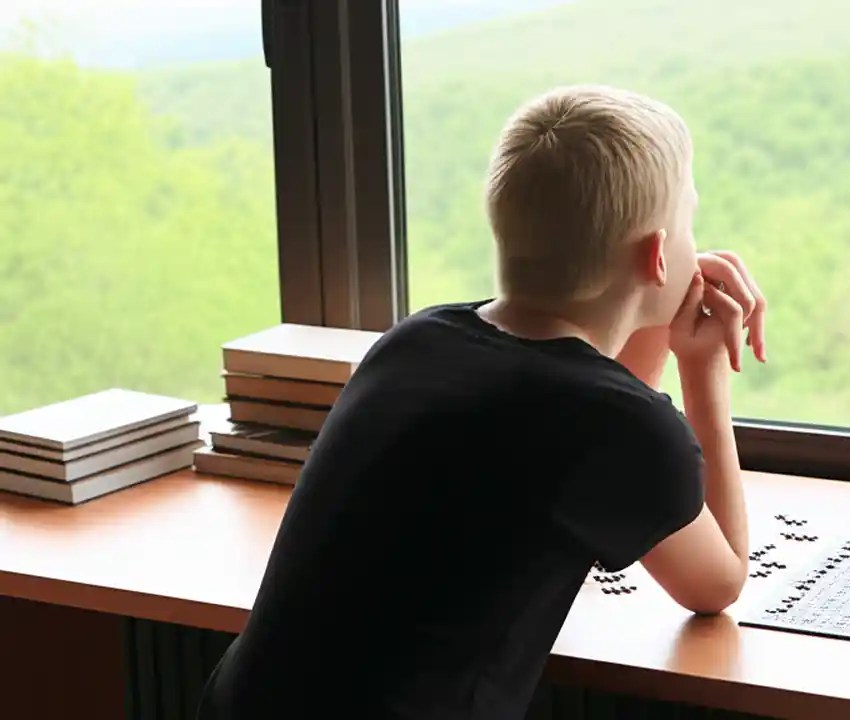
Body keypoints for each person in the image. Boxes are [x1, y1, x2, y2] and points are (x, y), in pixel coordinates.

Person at [196, 84, 767, 720]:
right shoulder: (612, 428)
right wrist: (704, 367)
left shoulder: (416, 339)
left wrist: (655, 318)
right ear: (659, 255)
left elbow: (602, 404)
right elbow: (718, 583)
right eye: (689, 223)